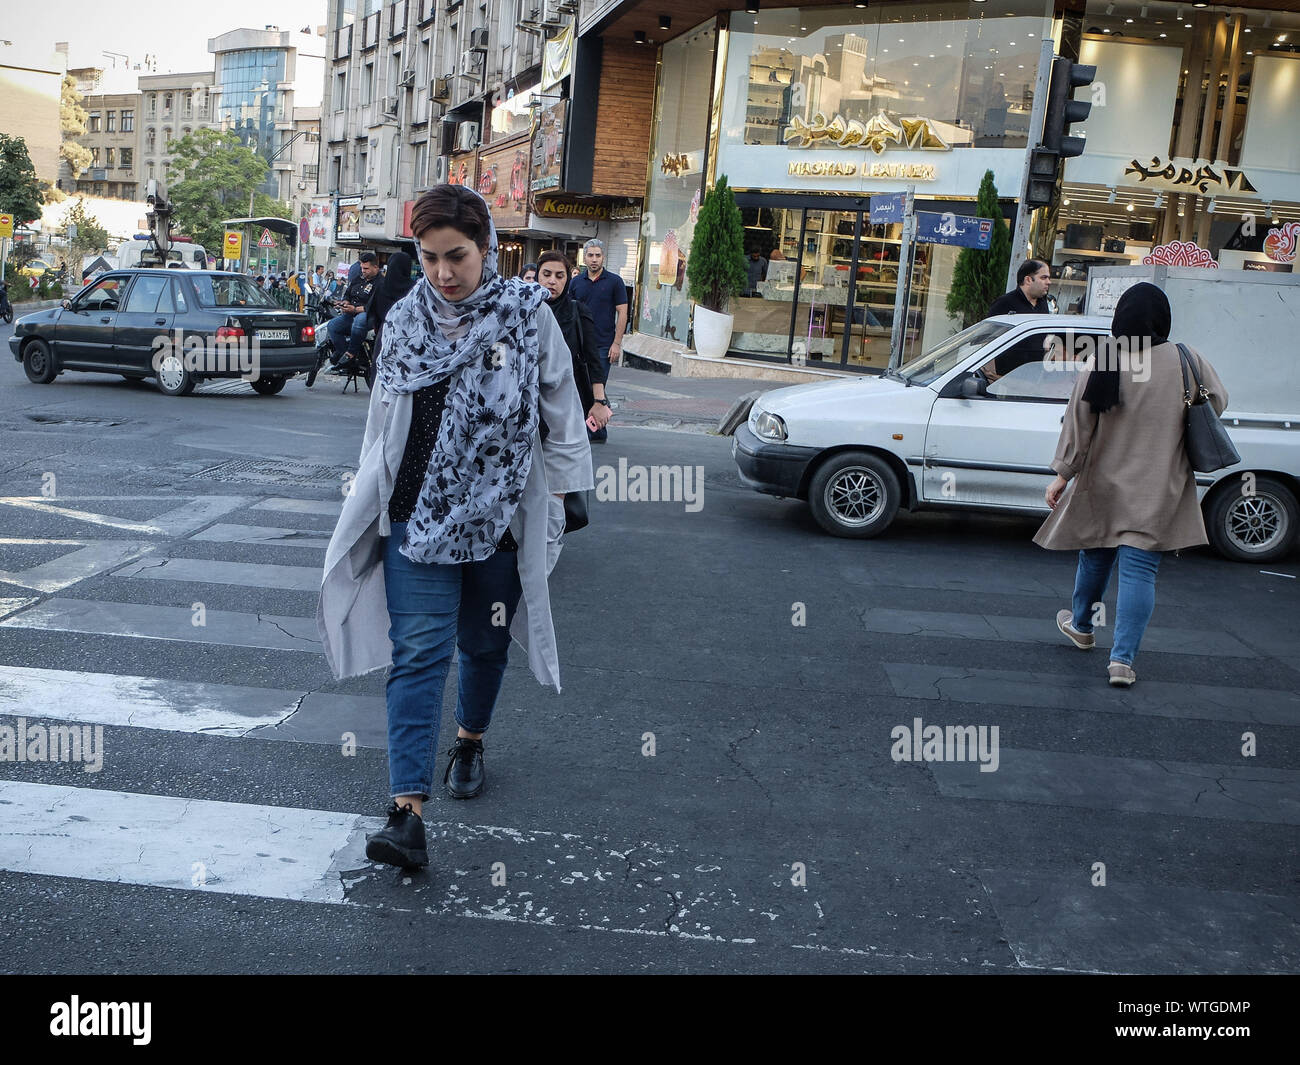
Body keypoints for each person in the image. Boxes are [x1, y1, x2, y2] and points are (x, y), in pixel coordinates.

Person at [317, 184, 594, 870]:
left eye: (458, 256)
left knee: (483, 643)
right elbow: (383, 425)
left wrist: (556, 495)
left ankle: (469, 738)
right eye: (432, 256)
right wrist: (370, 498)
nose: (444, 272)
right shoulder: (407, 320)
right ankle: (405, 812)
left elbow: (560, 406)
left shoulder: (529, 315)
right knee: (418, 654)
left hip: (499, 519)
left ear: (487, 249)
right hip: (416, 516)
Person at [1034, 283, 1228, 688]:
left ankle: (1083, 626)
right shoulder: (1185, 359)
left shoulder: (1104, 358)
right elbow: (1218, 402)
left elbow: (1078, 426)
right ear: (1162, 318)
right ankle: (1121, 661)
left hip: (1103, 484)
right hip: (1159, 486)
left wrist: (1061, 475)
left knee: (1096, 557)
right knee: (1140, 571)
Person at [536, 250, 611, 435]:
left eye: (559, 276)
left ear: (567, 280)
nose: (552, 281)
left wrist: (599, 401)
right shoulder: (524, 311)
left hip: (568, 398)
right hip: (532, 401)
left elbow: (593, 359)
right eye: (546, 274)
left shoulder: (577, 312)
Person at [570, 238, 627, 443]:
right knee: (584, 387)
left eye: (598, 255)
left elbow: (622, 313)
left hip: (603, 345)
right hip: (579, 345)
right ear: (584, 258)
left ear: (604, 257)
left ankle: (595, 431)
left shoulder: (615, 282)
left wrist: (617, 343)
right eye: (590, 255)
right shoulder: (576, 282)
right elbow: (569, 312)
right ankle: (598, 429)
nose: (594, 259)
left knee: (597, 386)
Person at [339, 250, 416, 379]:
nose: (363, 271)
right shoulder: (414, 289)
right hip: (408, 339)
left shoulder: (382, 287)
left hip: (384, 335)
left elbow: (373, 310)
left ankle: (351, 354)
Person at [985, 259, 1052, 375]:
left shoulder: (1043, 303)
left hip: (1035, 376)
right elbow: (986, 340)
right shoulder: (1005, 303)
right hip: (1006, 378)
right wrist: (992, 375)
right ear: (1028, 280)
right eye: (1043, 278)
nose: (1049, 282)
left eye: (1048, 278)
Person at [325, 251, 380, 369]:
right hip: (351, 313)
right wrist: (345, 302)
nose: (363, 271)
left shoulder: (381, 282)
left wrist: (354, 309)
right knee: (332, 326)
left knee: (360, 320)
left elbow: (373, 305)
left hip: (369, 316)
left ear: (375, 267)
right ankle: (343, 354)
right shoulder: (358, 278)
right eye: (362, 268)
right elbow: (348, 294)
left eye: (366, 268)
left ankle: (351, 353)